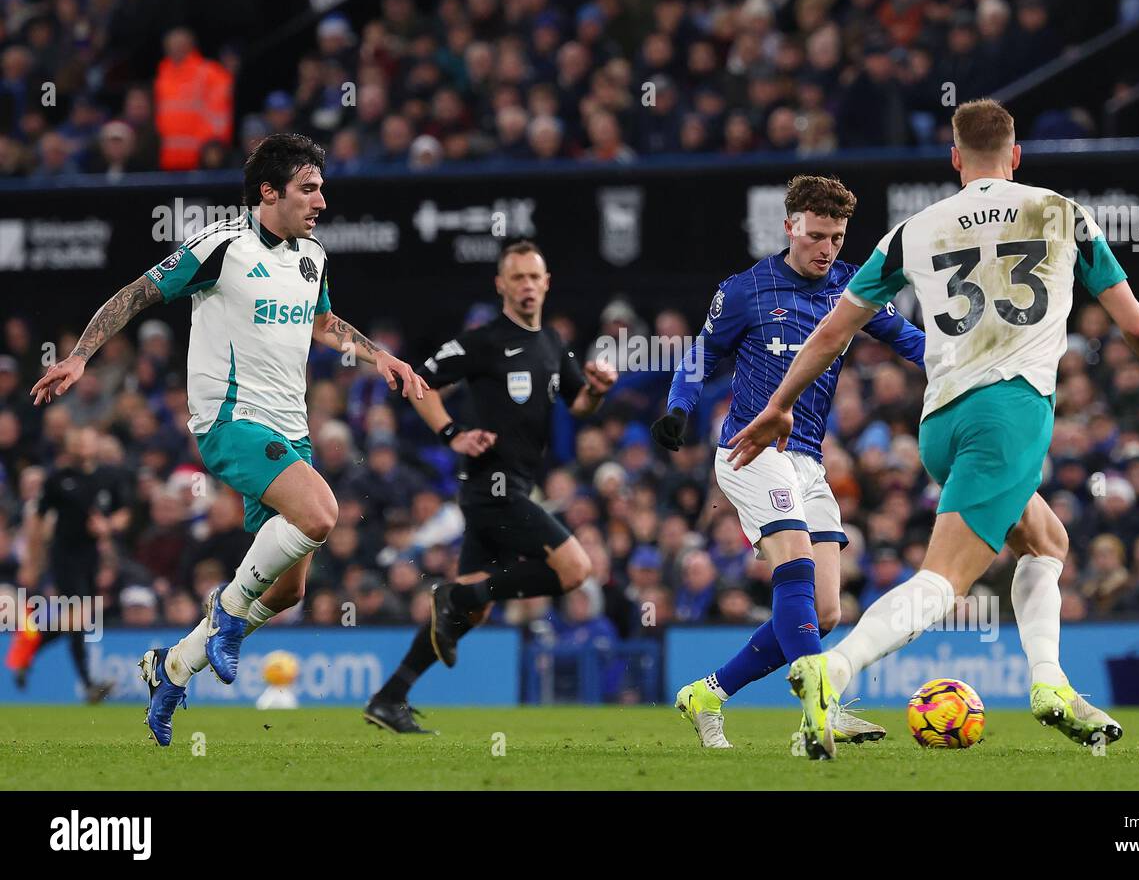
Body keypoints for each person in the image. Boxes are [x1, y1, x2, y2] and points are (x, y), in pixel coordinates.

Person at [728, 99, 1139, 759]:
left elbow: (832, 332)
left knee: (1046, 540)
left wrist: (778, 404)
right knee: (945, 581)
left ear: (956, 159)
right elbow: (1136, 324)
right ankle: (835, 670)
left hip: (940, 423)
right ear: (1016, 155)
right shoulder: (1061, 213)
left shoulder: (914, 230)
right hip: (1009, 412)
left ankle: (1051, 685)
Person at [30, 133, 424, 746]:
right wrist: (81, 357)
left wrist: (380, 358)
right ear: (269, 193)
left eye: (322, 187)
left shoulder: (312, 255)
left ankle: (173, 667)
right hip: (231, 422)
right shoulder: (221, 246)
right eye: (309, 189)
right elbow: (137, 292)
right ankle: (226, 621)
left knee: (288, 589)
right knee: (322, 513)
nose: (322, 200)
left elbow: (322, 323)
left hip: (291, 433)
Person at [652, 174, 926, 749]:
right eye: (817, 235)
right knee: (795, 564)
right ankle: (820, 711)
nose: (827, 248)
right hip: (751, 449)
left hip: (806, 459)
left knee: (824, 610)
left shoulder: (852, 289)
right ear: (790, 227)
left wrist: (966, 369)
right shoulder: (747, 289)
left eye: (838, 237)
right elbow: (702, 352)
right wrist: (679, 407)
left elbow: (909, 340)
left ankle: (707, 694)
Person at [363, 242, 617, 734]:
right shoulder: (483, 341)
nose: (526, 285)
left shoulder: (552, 346)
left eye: (533, 277)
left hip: (517, 485)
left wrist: (597, 391)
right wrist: (452, 433)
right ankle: (456, 596)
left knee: (470, 612)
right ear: (500, 284)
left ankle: (390, 697)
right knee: (575, 568)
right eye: (516, 277)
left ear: (547, 283)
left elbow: (579, 406)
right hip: (491, 489)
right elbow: (420, 382)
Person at [16, 426, 125, 701]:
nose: (82, 446)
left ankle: (27, 653)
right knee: (77, 617)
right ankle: (89, 685)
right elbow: (38, 520)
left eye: (87, 441)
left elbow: (124, 513)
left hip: (92, 557)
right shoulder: (58, 478)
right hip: (64, 556)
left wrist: (108, 526)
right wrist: (32, 561)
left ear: (96, 444)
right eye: (77, 441)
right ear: (70, 446)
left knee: (75, 621)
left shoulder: (108, 477)